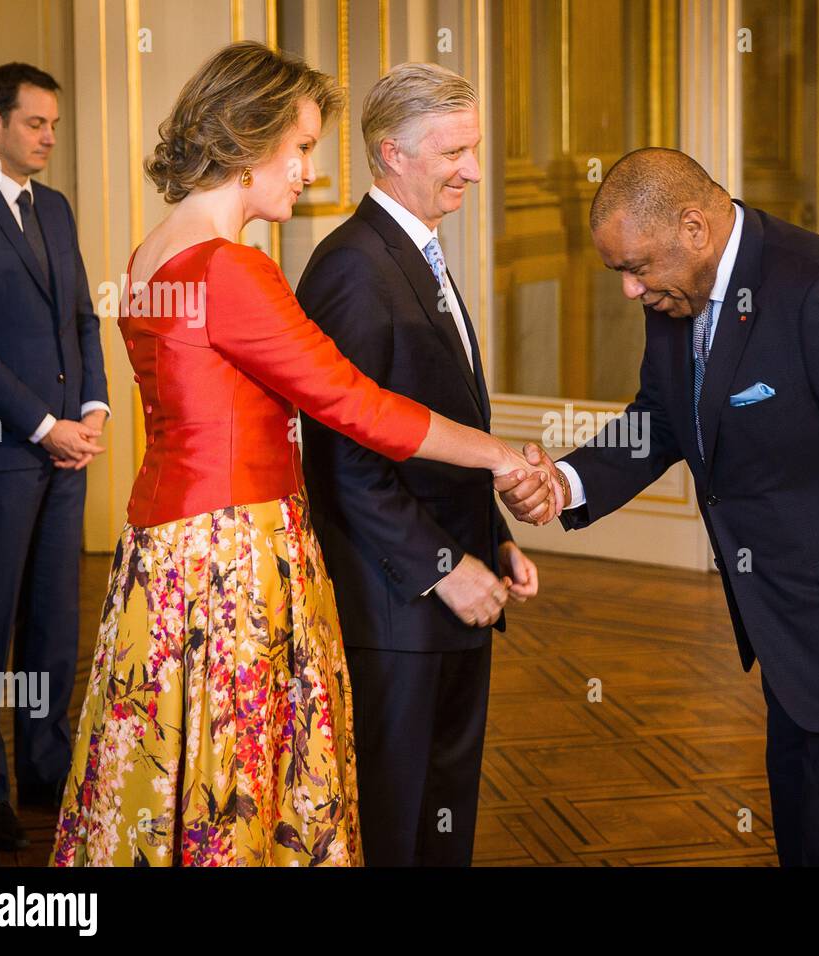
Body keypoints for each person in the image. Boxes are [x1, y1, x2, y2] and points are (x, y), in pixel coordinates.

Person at [49, 42, 557, 867]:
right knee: (241, 776)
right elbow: (356, 407)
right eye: (303, 148)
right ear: (251, 140)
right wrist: (500, 457)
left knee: (173, 766)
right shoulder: (234, 270)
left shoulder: (150, 257)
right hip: (233, 553)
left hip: (163, 553)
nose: (308, 172)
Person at [496, 147, 819, 866]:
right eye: (618, 270)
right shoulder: (677, 291)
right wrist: (566, 482)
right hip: (793, 646)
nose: (629, 289)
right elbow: (664, 418)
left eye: (635, 267)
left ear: (694, 227)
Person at [298, 63, 537, 867]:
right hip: (396, 607)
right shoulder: (352, 269)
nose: (472, 168)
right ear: (392, 153)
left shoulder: (416, 251)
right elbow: (346, 463)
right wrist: (445, 567)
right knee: (394, 827)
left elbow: (442, 433)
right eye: (454, 151)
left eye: (474, 148)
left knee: (443, 814)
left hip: (453, 591)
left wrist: (492, 538)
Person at [0, 62, 110, 852]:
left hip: (68, 450)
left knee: (53, 620)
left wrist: (93, 407)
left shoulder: (58, 208)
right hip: (0, 452)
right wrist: (45, 424)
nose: (50, 136)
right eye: (36, 123)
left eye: (53, 123)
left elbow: (82, 318)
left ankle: (45, 766)